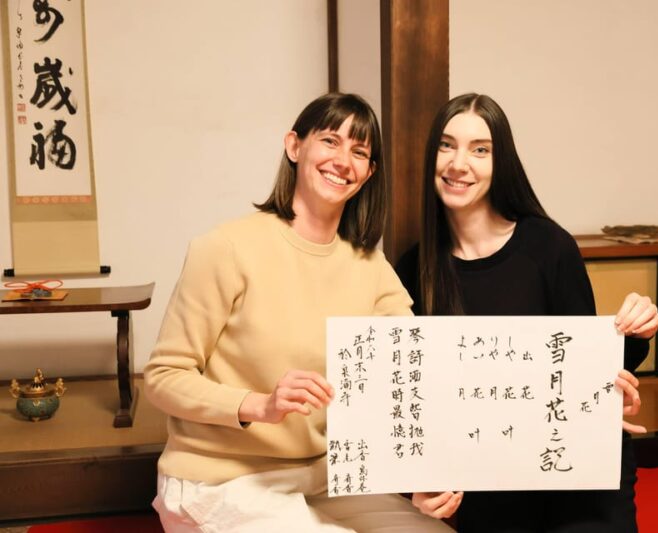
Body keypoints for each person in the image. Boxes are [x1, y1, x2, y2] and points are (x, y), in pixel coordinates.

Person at [144, 93, 454, 533]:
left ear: (369, 174)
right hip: (218, 478)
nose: (343, 160)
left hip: (324, 478)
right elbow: (163, 376)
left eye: (359, 151)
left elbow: (411, 368)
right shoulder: (225, 248)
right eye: (330, 141)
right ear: (295, 146)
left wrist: (424, 471)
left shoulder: (369, 266)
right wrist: (259, 405)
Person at [395, 93, 658, 532]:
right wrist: (417, 488)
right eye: (447, 145)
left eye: (480, 149)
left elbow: (587, 364)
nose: (459, 163)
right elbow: (415, 397)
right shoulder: (414, 268)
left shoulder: (548, 247)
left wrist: (635, 330)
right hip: (486, 475)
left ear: (502, 163)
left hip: (573, 466)